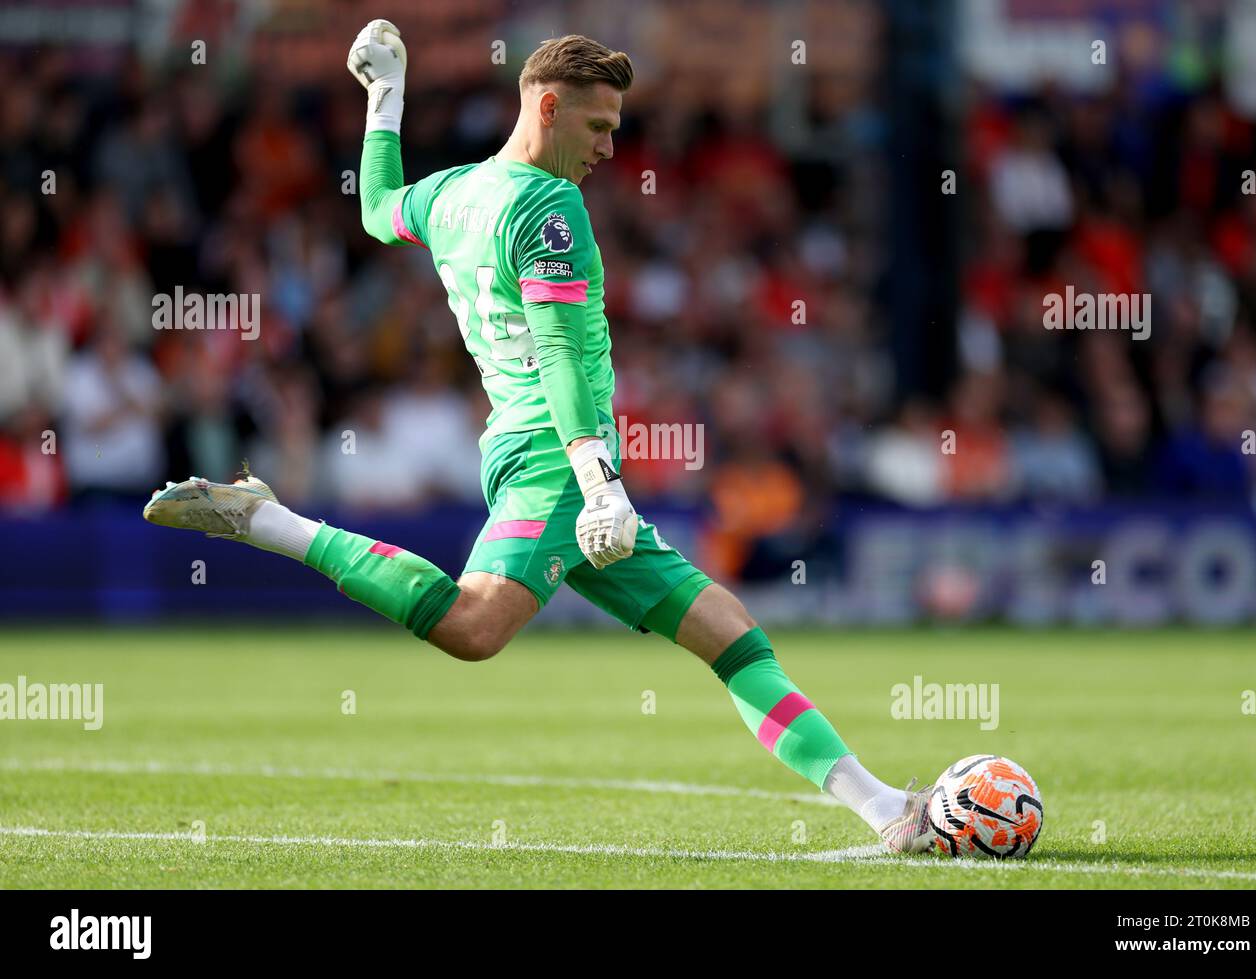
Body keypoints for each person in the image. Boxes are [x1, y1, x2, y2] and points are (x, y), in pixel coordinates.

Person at [143, 20, 935, 854]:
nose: (607, 148)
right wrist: (597, 480)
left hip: (536, 452)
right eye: (597, 127)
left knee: (730, 633)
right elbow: (558, 347)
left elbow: (378, 211)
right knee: (475, 625)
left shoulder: (454, 193)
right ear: (548, 107)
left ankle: (886, 809)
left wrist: (385, 105)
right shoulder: (547, 204)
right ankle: (268, 521)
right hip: (559, 459)